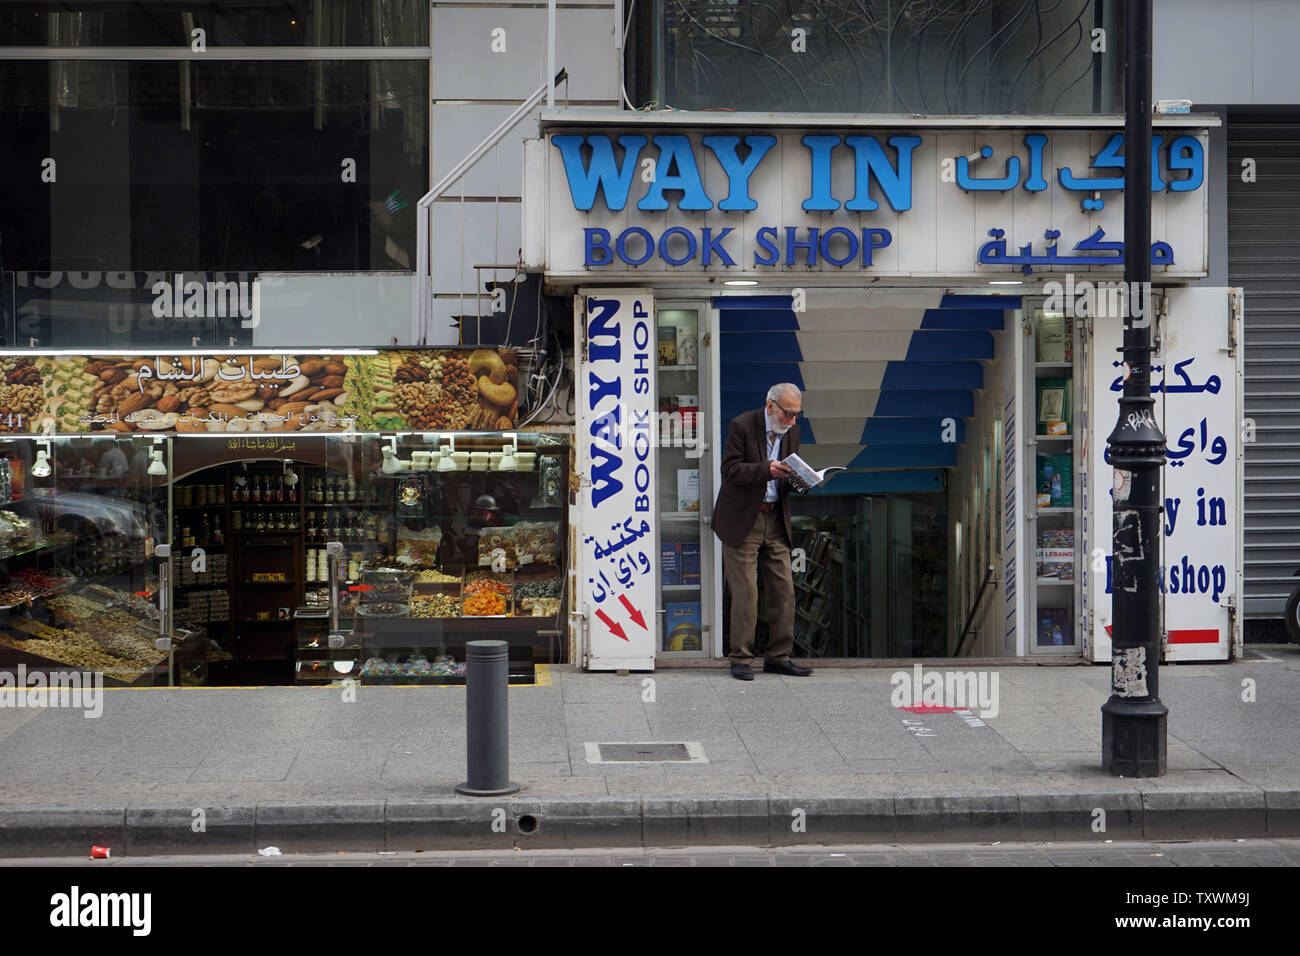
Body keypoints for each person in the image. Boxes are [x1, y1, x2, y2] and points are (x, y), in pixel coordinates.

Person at [711, 383, 812, 680]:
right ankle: (741, 658)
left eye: (797, 414)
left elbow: (787, 473)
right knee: (746, 592)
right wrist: (765, 469)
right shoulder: (742, 425)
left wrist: (801, 480)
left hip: (775, 518)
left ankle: (778, 657)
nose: (792, 420)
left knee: (784, 590)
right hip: (744, 518)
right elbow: (730, 470)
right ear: (770, 406)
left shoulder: (793, 432)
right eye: (788, 413)